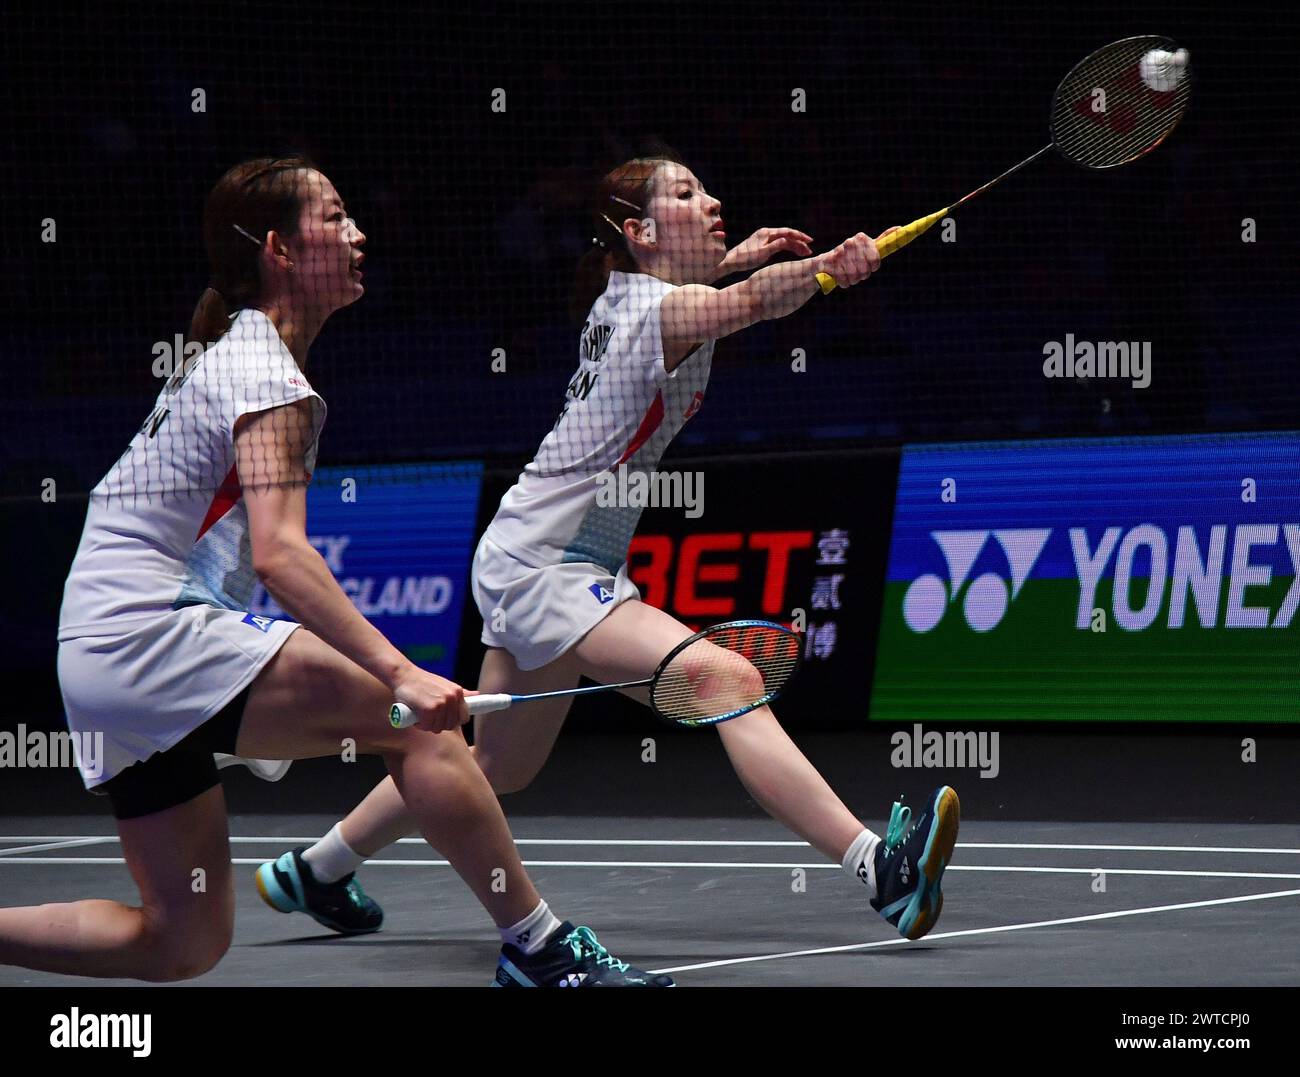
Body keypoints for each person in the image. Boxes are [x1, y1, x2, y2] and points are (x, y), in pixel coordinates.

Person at [0, 156, 668, 988]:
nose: (359, 234)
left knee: (180, 939)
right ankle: (539, 945)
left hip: (98, 661)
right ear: (279, 248)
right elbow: (283, 554)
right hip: (151, 632)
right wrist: (401, 672)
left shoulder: (241, 356)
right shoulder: (261, 373)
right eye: (335, 218)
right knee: (414, 721)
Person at [259, 155, 960, 946]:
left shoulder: (621, 297)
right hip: (547, 564)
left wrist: (737, 257)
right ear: (640, 230)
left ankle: (314, 868)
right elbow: (746, 307)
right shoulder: (652, 315)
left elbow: (703, 295)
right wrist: (826, 270)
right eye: (689, 194)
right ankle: (883, 871)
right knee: (727, 678)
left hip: (538, 553)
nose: (714, 199)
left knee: (491, 768)